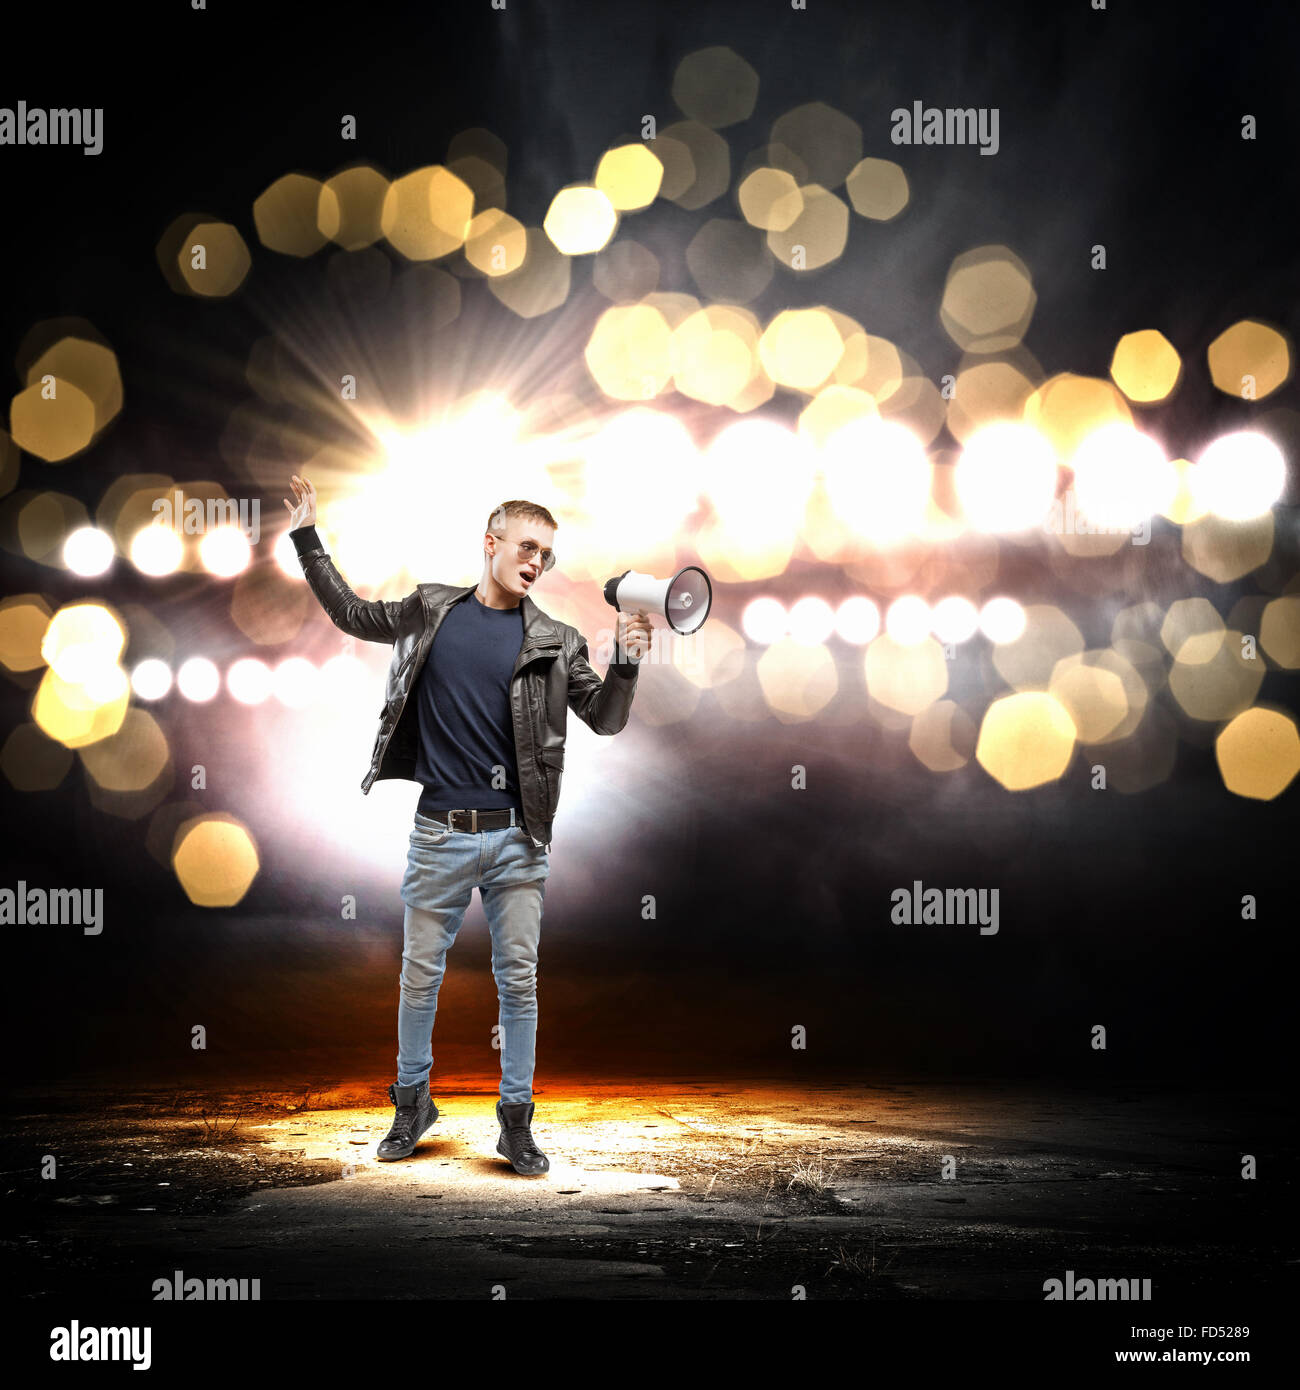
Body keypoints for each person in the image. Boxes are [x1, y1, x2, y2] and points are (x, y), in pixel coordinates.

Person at [282, 474, 650, 1174]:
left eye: (547, 553)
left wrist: (626, 662)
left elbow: (604, 720)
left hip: (518, 839)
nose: (537, 561)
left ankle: (516, 1124)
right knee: (419, 981)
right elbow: (353, 617)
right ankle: (412, 1104)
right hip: (438, 833)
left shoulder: (558, 640)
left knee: (519, 984)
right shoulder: (430, 609)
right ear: (492, 543)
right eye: (527, 545)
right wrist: (308, 539)